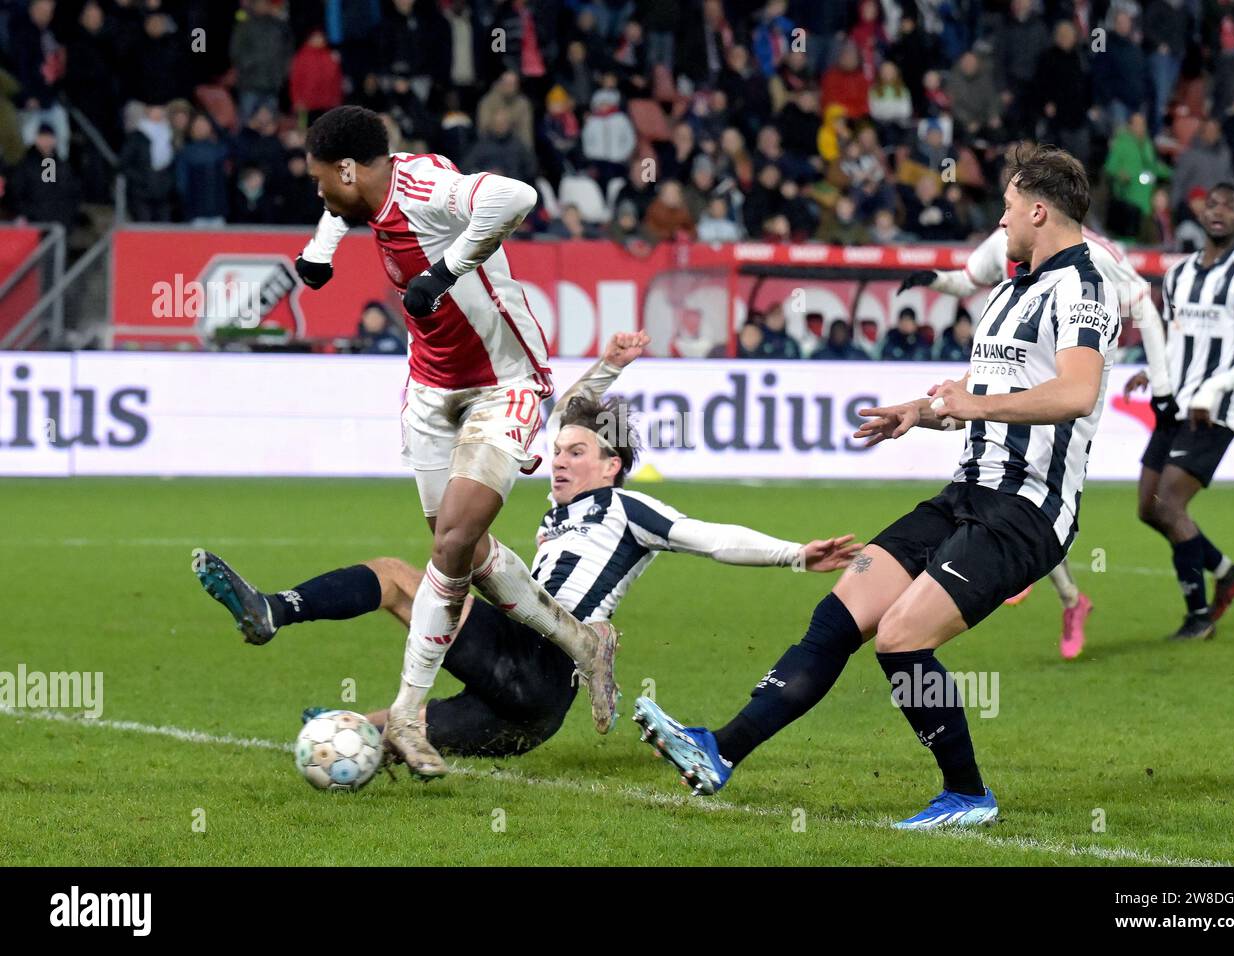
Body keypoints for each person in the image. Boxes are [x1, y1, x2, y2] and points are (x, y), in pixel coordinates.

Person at [634, 145, 1120, 830]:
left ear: (1038, 209)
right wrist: (921, 413)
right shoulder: (1013, 289)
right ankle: (720, 750)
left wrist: (973, 406)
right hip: (966, 492)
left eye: (1008, 207)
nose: (1002, 221)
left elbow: (1077, 391)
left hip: (1026, 509)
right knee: (844, 610)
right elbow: (988, 398)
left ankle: (968, 794)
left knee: (900, 638)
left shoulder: (1085, 286)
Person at [195, 333, 861, 759]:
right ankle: (347, 739)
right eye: (560, 451)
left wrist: (794, 554)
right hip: (526, 712)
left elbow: (714, 539)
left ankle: (275, 609)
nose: (562, 460)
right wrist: (606, 369)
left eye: (579, 453)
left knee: (411, 572)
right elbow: (571, 408)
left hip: (538, 666)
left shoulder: (629, 509)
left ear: (613, 464)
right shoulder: (559, 508)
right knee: (368, 738)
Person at [288, 106, 618, 780]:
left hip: (503, 384)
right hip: (433, 389)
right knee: (461, 550)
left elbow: (517, 196)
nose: (319, 191)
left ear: (350, 170)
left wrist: (448, 268)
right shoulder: (368, 191)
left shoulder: (426, 192)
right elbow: (342, 212)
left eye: (322, 179)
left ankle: (407, 715)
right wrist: (319, 252)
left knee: (450, 545)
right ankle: (581, 641)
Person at [898, 212, 1171, 659]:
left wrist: (1161, 385)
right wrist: (932, 278)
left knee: (1034, 482)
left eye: (1014, 200)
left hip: (1068, 376)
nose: (1005, 216)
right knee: (1015, 483)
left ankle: (1024, 568)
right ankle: (1065, 596)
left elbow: (1142, 307)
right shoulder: (1007, 238)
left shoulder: (1096, 258)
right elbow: (968, 279)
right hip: (1018, 374)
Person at [1125, 183, 1234, 640]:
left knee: (1169, 502)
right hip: (1176, 404)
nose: (1219, 212)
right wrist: (1155, 371)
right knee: (1149, 508)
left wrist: (1216, 386)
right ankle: (1228, 572)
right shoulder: (1180, 273)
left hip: (1217, 411)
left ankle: (1199, 616)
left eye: (1230, 207)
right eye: (1213, 204)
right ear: (1201, 212)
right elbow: (1174, 336)